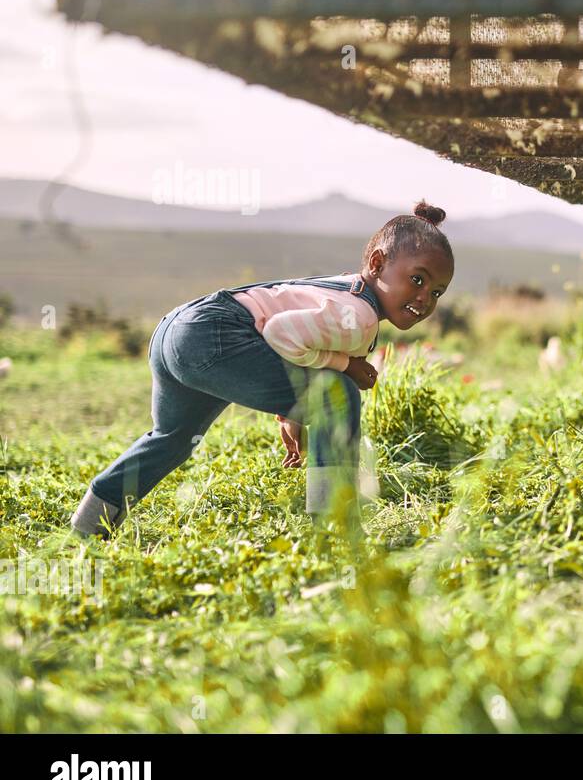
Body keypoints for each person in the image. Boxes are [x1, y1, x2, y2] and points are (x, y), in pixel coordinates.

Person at [69, 201, 454, 537]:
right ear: (377, 264)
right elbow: (280, 332)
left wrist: (292, 408)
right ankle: (336, 528)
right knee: (339, 395)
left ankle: (88, 525)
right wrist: (346, 364)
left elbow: (291, 342)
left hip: (178, 329)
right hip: (213, 336)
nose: (424, 298)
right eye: (417, 279)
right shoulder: (359, 316)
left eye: (436, 291)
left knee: (172, 437)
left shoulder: (346, 291)